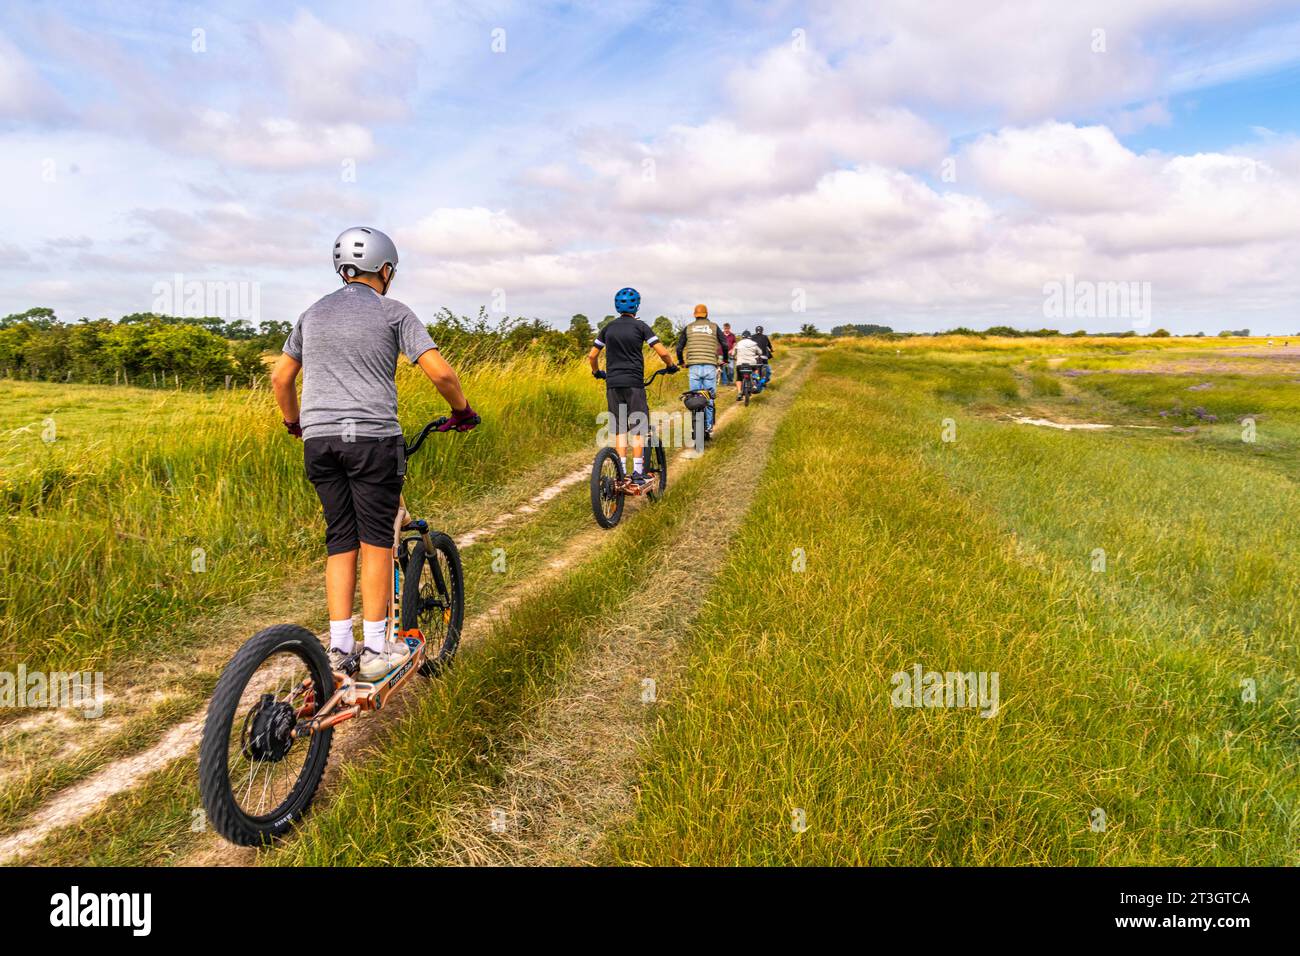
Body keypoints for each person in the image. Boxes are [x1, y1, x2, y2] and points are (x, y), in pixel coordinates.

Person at [272, 226, 478, 682]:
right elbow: (441, 373)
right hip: (372, 441)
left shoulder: (312, 313)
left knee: (340, 539)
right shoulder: (394, 312)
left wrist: (295, 423)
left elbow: (281, 379)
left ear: (343, 270)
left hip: (319, 442)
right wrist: (462, 411)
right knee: (377, 541)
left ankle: (339, 646)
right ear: (385, 269)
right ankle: (376, 647)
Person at [588, 287, 678, 485]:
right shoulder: (641, 327)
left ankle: (620, 471)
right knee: (638, 427)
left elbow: (592, 355)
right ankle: (637, 473)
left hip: (612, 384)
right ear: (637, 305)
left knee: (620, 429)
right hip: (634, 384)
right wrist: (670, 366)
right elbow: (662, 352)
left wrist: (596, 372)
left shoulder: (608, 328)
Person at [675, 303, 728, 442]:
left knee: (695, 398)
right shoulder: (714, 327)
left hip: (694, 367)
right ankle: (708, 428)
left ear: (694, 315)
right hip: (710, 365)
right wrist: (725, 359)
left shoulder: (689, 328)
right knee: (709, 398)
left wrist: (681, 362)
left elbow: (679, 347)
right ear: (707, 314)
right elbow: (725, 344)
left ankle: (695, 426)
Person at [732, 329, 764, 401]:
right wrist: (757, 354)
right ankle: (755, 384)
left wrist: (734, 357)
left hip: (740, 364)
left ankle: (739, 392)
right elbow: (760, 352)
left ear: (742, 337)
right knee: (755, 370)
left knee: (739, 378)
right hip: (751, 363)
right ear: (750, 337)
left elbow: (733, 353)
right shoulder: (754, 343)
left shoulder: (738, 343)